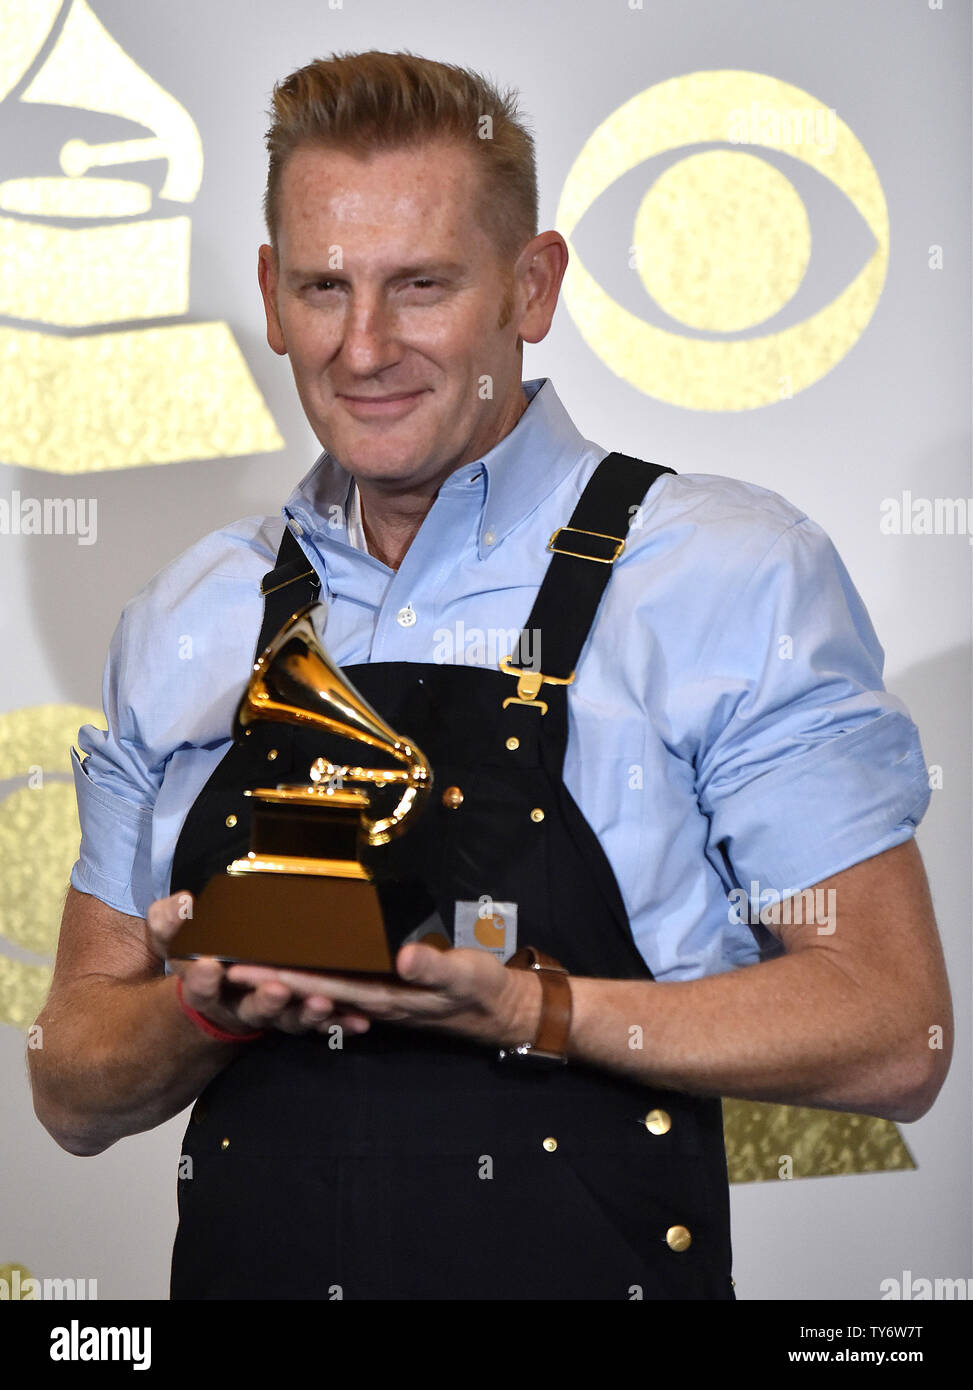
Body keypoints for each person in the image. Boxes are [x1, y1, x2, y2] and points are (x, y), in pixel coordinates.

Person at [29, 51, 951, 1300]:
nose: (362, 348)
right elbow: (70, 1084)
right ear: (268, 293)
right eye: (322, 286)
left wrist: (535, 1012)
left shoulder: (725, 575)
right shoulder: (191, 612)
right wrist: (207, 1004)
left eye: (419, 286)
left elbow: (894, 1028)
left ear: (533, 285)